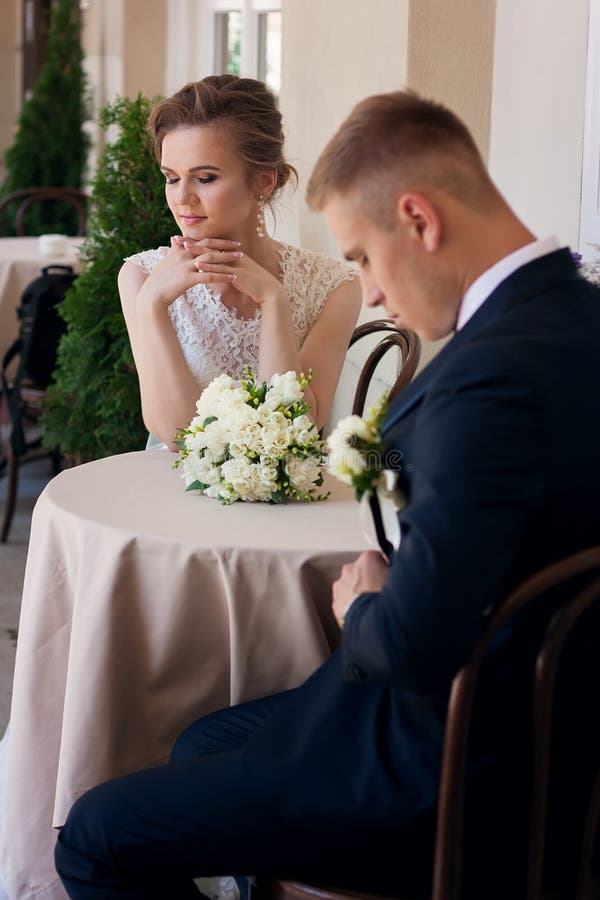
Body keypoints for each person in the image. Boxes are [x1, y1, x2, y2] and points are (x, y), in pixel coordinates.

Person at [55, 90, 600, 898]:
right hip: (550, 723)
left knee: (96, 836)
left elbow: (414, 645)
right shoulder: (576, 317)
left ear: (419, 219)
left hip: (441, 762)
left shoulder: (489, 389)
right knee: (204, 740)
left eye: (365, 258)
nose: (373, 295)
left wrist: (366, 605)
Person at [118, 74, 361, 450]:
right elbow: (179, 435)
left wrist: (274, 301)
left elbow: (299, 428)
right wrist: (152, 303)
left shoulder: (333, 287)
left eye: (205, 178)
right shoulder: (141, 276)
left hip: (283, 501)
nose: (182, 198)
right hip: (170, 493)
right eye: (171, 177)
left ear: (263, 182)